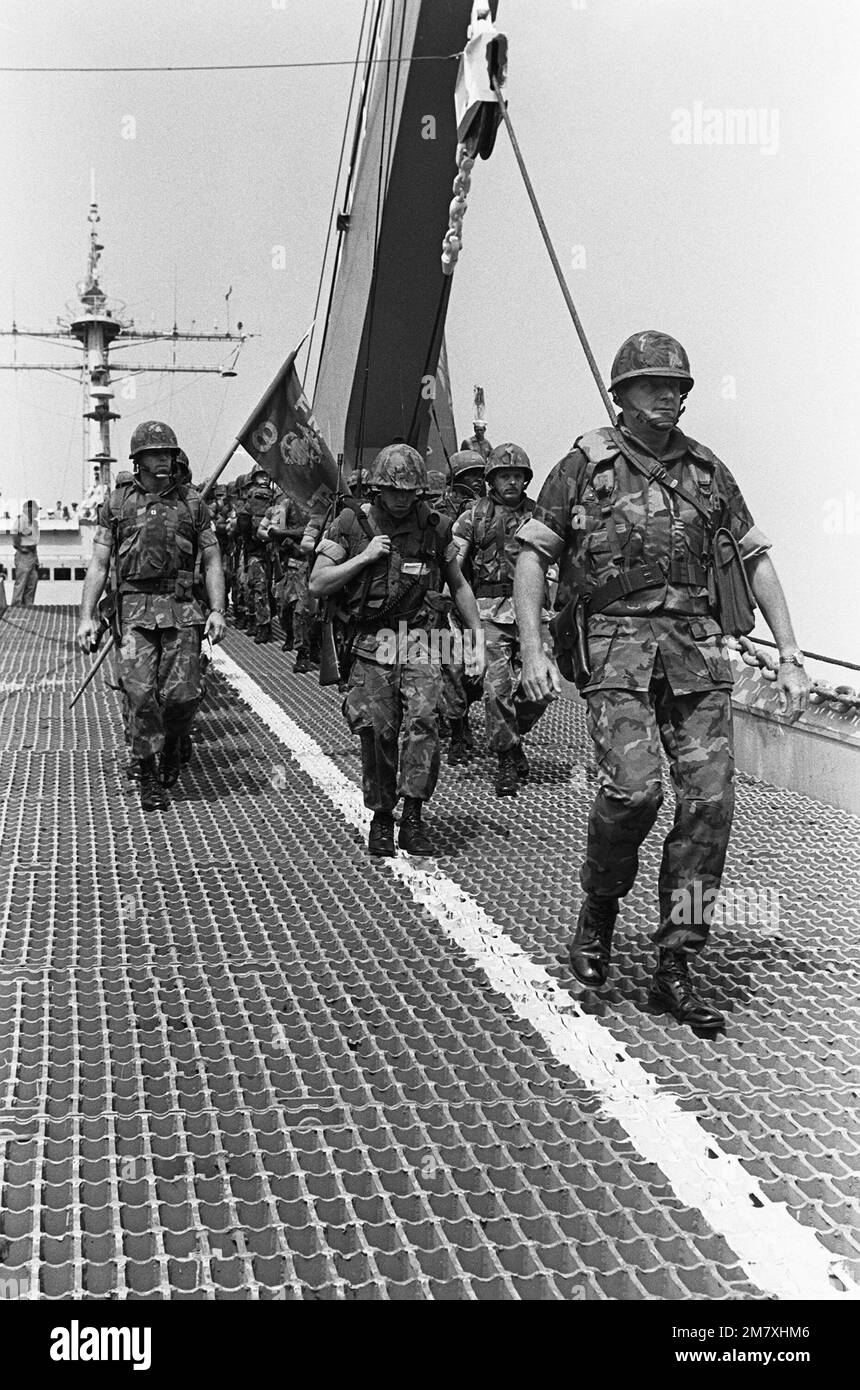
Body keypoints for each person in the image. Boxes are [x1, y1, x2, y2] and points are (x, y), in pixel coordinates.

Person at [515, 330, 809, 1030]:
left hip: (697, 657)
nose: (671, 395)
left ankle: (676, 958)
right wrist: (531, 649)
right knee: (633, 790)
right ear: (622, 394)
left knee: (709, 807)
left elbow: (756, 555)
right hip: (616, 654)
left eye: (678, 386)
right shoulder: (586, 468)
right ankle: (602, 906)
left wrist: (790, 651)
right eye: (655, 385)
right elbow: (533, 555)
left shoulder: (708, 472)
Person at [310, 443, 484, 857]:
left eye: (410, 492)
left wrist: (476, 637)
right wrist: (364, 558)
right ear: (377, 489)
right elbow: (318, 582)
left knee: (424, 723)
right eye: (394, 490)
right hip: (372, 642)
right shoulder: (351, 523)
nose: (402, 499)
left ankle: (414, 815)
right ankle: (382, 816)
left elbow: (457, 583)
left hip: (423, 639)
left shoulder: (436, 528)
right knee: (378, 733)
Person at [76, 420, 226, 812]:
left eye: (168, 454)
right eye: (156, 454)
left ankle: (175, 739)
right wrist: (87, 616)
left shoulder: (193, 503)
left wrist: (218, 610)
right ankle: (148, 772)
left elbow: (211, 561)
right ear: (138, 460)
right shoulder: (118, 503)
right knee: (140, 695)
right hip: (133, 612)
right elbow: (98, 563)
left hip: (182, 610)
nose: (164, 460)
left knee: (181, 695)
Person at [454, 444, 552, 794]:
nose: (511, 481)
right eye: (503, 475)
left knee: (544, 688)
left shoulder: (540, 515)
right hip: (487, 611)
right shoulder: (473, 516)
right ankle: (507, 755)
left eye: (517, 475)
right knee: (496, 690)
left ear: (526, 479)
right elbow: (454, 562)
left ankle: (511, 735)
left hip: (533, 612)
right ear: (491, 479)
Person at [258, 489, 308, 658]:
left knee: (301, 609)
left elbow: (307, 530)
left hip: (306, 561)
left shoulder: (313, 502)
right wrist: (275, 535)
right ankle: (290, 634)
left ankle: (303, 652)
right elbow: (268, 529)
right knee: (283, 606)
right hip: (285, 562)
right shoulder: (282, 505)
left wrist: (282, 534)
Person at [12, 500, 41, 606]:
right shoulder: (22, 520)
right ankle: (16, 605)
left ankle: (28, 605)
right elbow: (15, 533)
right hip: (24, 554)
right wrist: (19, 547)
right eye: (36, 510)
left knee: (32, 582)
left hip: (32, 554)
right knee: (21, 582)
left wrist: (36, 558)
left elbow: (34, 540)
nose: (37, 512)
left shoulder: (34, 522)